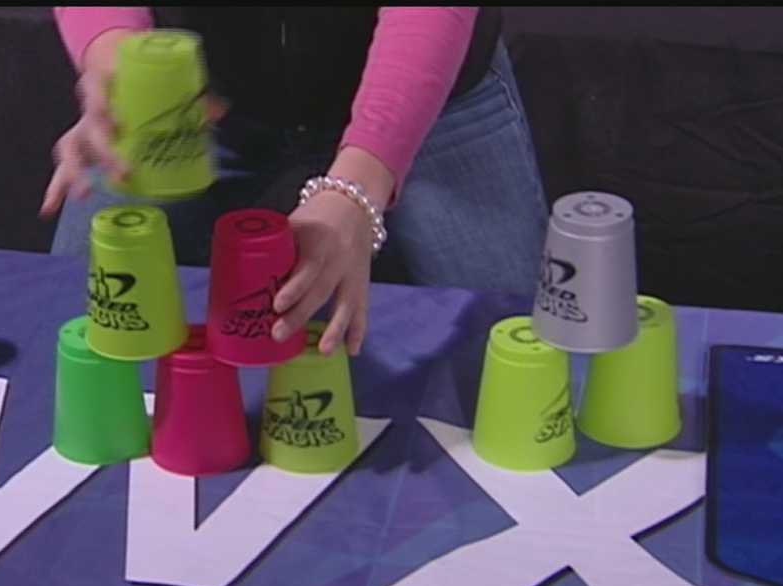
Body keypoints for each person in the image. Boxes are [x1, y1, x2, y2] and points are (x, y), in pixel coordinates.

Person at [40, 7, 547, 357]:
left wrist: (360, 182)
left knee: (517, 347)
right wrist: (115, 60)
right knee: (75, 333)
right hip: (198, 99)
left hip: (431, 98)